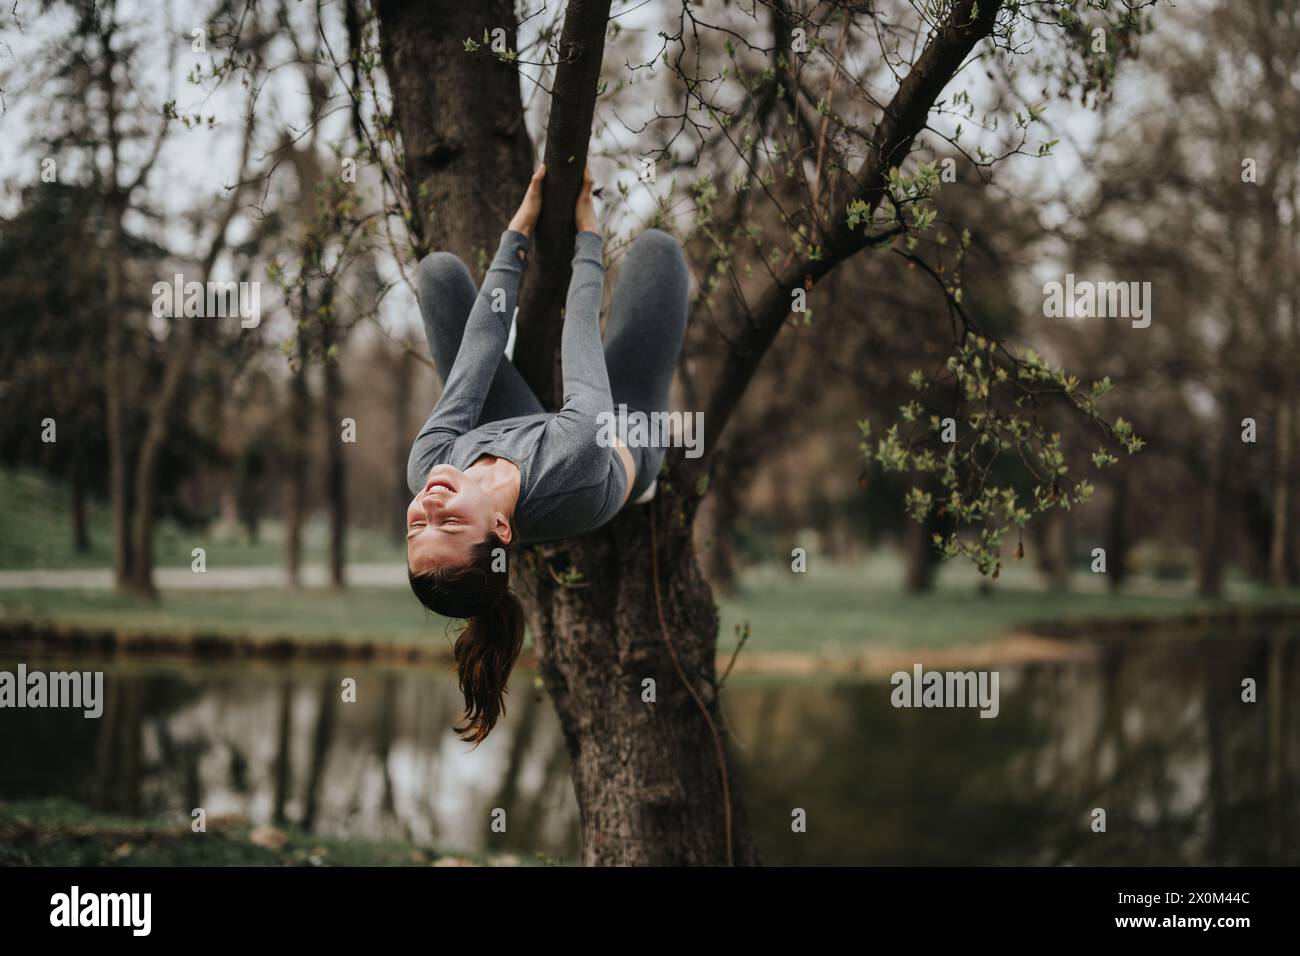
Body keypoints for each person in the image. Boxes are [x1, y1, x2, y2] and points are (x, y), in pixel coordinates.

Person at [405, 165, 689, 743]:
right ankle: (646, 483)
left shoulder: (428, 470)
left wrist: (523, 223)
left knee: (437, 277)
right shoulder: (576, 460)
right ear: (503, 527)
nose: (430, 503)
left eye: (417, 528)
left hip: (528, 430)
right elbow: (578, 329)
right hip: (619, 434)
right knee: (659, 252)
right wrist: (587, 233)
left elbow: (478, 352)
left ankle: (531, 423)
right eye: (450, 522)